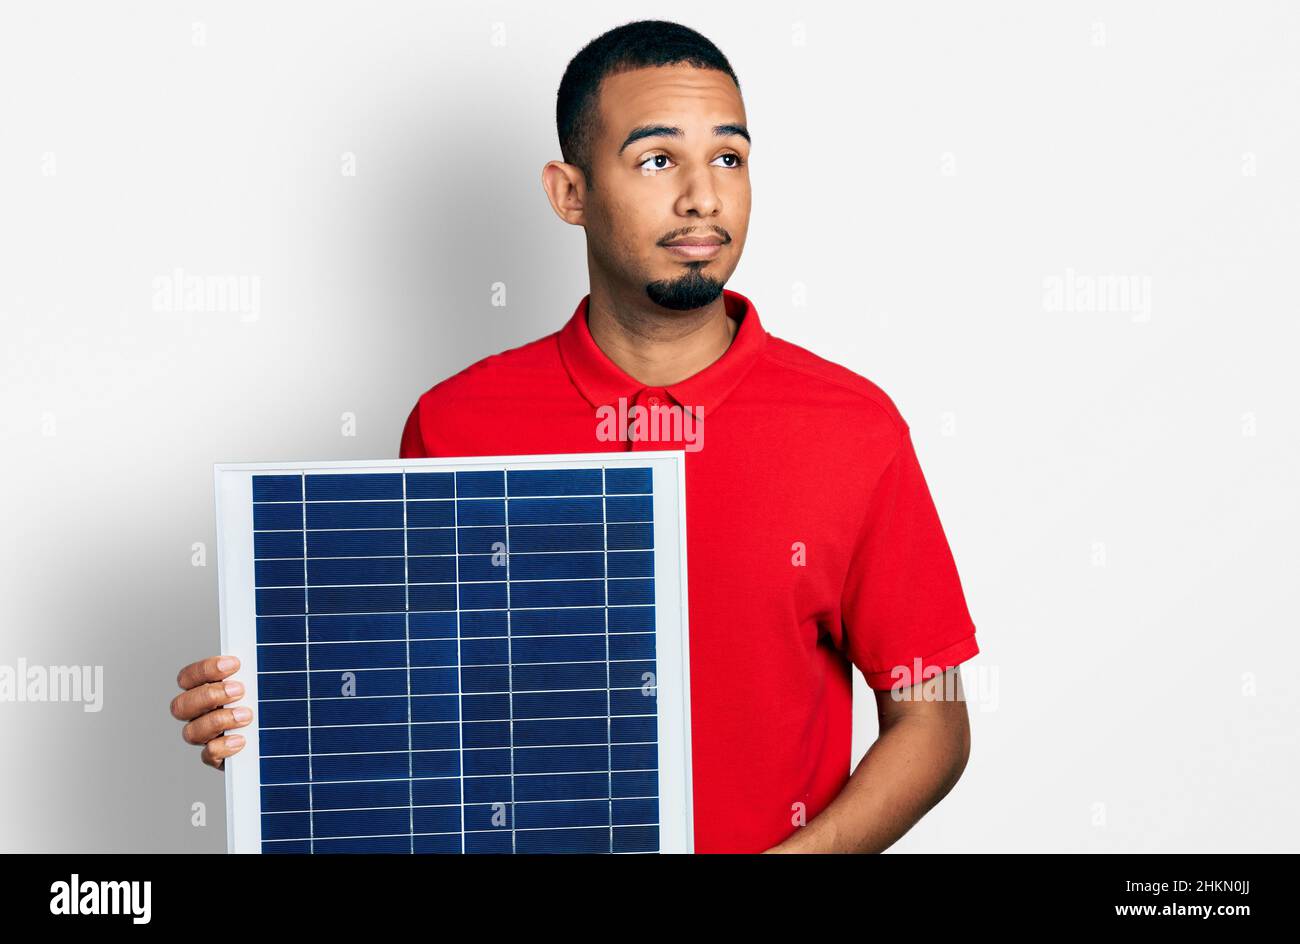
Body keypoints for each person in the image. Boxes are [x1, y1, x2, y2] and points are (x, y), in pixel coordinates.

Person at [171, 19, 980, 853]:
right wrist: (280, 727)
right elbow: (417, 704)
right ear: (570, 193)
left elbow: (933, 717)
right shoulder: (456, 423)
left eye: (730, 158)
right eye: (658, 159)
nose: (702, 195)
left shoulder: (853, 427)